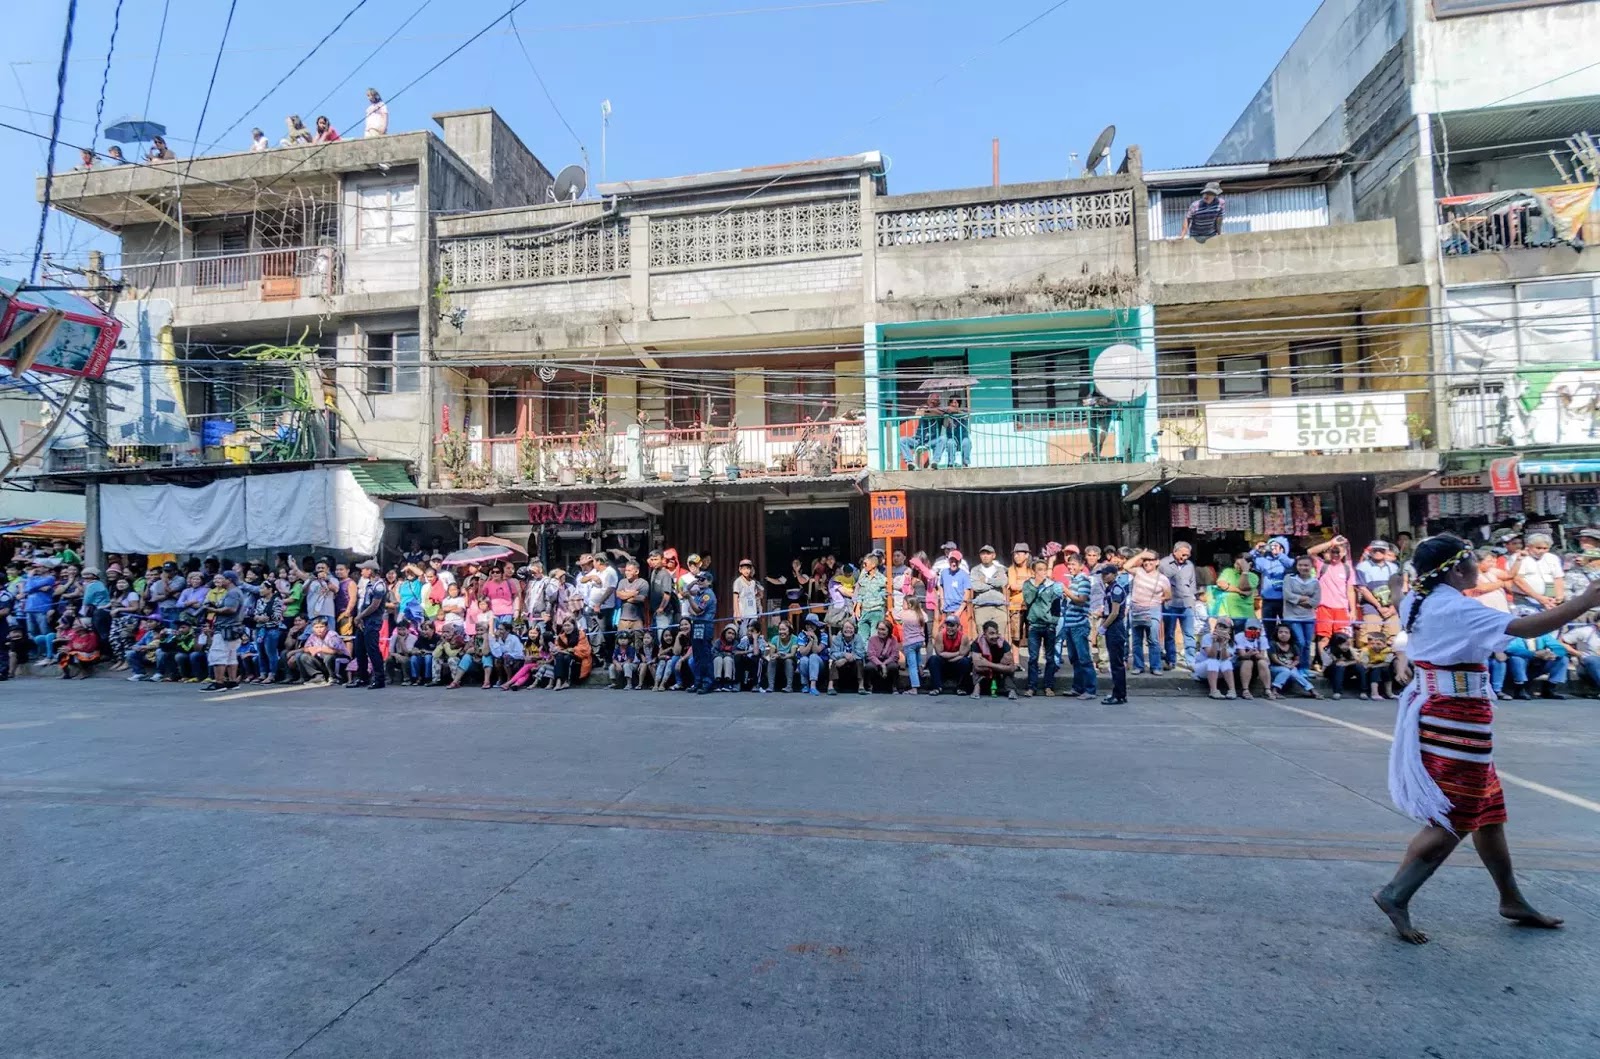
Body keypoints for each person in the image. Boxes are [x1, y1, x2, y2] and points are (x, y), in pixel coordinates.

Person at [1374, 533, 1600, 944]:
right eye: (1474, 561)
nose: (1479, 567)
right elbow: (1528, 625)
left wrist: (1393, 582)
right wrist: (1584, 601)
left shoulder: (1420, 601)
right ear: (1458, 569)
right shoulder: (1457, 607)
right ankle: (1396, 892)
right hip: (1455, 716)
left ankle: (1511, 898)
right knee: (1457, 815)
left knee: (1488, 811)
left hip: (1443, 709)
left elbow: (1396, 596)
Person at [1021, 558, 1061, 696]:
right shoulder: (1028, 584)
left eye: (1044, 570)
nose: (1042, 573)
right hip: (1034, 625)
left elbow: (1056, 606)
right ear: (1033, 571)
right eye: (1039, 570)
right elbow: (1028, 599)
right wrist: (1037, 585)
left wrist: (1053, 622)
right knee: (1033, 657)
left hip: (1048, 625)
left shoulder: (1052, 585)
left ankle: (1048, 686)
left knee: (1049, 657)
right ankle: (1032, 686)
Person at [1125, 550, 1170, 675]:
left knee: (1153, 640)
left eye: (1151, 560)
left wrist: (1156, 600)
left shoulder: (1163, 579)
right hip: (1136, 609)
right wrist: (1141, 555)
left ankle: (1155, 666)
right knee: (1136, 640)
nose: (1148, 563)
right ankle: (1138, 666)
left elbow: (1168, 595)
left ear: (1157, 562)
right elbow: (1126, 566)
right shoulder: (1138, 572)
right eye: (1145, 560)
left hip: (1153, 610)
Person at [1158, 541, 1199, 670]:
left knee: (1189, 633)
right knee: (1169, 633)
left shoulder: (1190, 565)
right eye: (1183, 555)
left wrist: (1192, 600)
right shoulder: (1163, 564)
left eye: (1187, 555)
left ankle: (1190, 661)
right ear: (1175, 552)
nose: (1184, 558)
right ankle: (1171, 660)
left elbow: (1192, 584)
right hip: (1170, 603)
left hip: (1186, 604)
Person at [347, 560, 388, 689]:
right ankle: (362, 677)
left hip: (373, 621)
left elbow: (374, 605)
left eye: (364, 569)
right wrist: (360, 618)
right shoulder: (370, 584)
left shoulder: (379, 585)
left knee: (372, 650)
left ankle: (379, 678)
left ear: (370, 570)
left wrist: (360, 616)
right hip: (364, 620)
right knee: (359, 649)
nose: (361, 571)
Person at [1281, 555, 1321, 671]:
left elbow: (1316, 601)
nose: (1303, 567)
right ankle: (1295, 666)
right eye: (1301, 565)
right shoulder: (1289, 578)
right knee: (1300, 642)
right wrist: (1305, 598)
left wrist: (1297, 601)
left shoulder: (1315, 582)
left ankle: (1304, 668)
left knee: (1308, 644)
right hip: (1292, 617)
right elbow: (1287, 596)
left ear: (1311, 566)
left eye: (1306, 565)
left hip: (1309, 617)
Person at [1356, 540, 1402, 641]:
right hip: (1371, 606)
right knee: (1370, 636)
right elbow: (1363, 589)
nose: (1378, 552)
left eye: (1381, 550)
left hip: (1391, 607)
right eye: (1375, 550)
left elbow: (1397, 588)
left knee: (1394, 636)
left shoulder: (1394, 567)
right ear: (1370, 551)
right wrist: (1378, 606)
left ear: (1386, 551)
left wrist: (1393, 607)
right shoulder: (1362, 567)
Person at [1509, 532, 1565, 614]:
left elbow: (1558, 578)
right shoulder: (1518, 558)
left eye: (1545, 548)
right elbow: (1518, 580)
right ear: (1529, 546)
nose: (1542, 551)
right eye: (1538, 548)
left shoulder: (1552, 558)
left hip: (1550, 600)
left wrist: (1559, 596)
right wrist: (1539, 597)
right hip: (1526, 600)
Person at [1505, 630, 1570, 699]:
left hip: (1539, 663)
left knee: (1563, 659)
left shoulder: (1542, 634)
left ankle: (1550, 689)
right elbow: (1511, 649)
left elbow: (1559, 648)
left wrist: (1553, 655)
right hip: (1518, 665)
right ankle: (1520, 688)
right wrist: (1534, 654)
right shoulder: (1514, 635)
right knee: (1516, 658)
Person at [969, 620, 1019, 700]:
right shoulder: (977, 643)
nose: (995, 636)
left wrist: (987, 663)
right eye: (991, 634)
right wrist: (999, 666)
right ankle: (976, 690)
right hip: (985, 671)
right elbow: (977, 666)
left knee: (1008, 670)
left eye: (996, 633)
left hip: (996, 671)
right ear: (985, 634)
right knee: (975, 667)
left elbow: (1011, 668)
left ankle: (1011, 690)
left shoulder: (1003, 643)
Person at [1267, 623, 1319, 699]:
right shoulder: (1273, 644)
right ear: (1277, 633)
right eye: (1280, 632)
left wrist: (1292, 665)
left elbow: (1297, 660)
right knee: (1286, 671)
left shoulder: (1293, 645)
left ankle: (1311, 690)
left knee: (1294, 672)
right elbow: (1274, 659)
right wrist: (1286, 666)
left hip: (1290, 667)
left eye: (1286, 632)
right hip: (1275, 668)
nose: (1283, 634)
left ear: (1290, 634)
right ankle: (1275, 690)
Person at [1195, 618, 1237, 699]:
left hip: (1220, 670)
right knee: (1213, 661)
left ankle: (1232, 690)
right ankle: (1213, 690)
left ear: (1230, 630)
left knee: (1227, 662)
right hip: (1203, 668)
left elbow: (1224, 658)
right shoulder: (1207, 637)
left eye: (1224, 627)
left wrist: (1223, 644)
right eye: (1219, 625)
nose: (1221, 628)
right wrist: (1215, 641)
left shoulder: (1231, 642)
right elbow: (1211, 656)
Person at [896, 590, 928, 696]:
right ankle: (921, 670)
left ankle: (914, 687)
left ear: (909, 604)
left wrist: (891, 611)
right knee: (918, 657)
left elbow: (896, 616)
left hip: (909, 643)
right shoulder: (921, 613)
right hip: (920, 641)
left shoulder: (904, 613)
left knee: (911, 665)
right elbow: (926, 619)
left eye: (904, 603)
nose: (902, 605)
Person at [1214, 555, 1259, 629]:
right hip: (1225, 613)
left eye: (1240, 564)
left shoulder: (1253, 576)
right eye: (1236, 563)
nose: (1237, 566)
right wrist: (1240, 591)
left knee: (1239, 636)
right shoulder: (1228, 571)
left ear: (1249, 564)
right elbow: (1220, 584)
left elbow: (1243, 587)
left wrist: (1245, 572)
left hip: (1243, 614)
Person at [1232, 617, 1269, 700]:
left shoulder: (1262, 638)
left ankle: (1267, 690)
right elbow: (1242, 655)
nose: (1253, 630)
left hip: (1256, 662)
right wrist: (1249, 653)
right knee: (1248, 661)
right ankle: (1245, 690)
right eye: (1250, 628)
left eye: (1255, 628)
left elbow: (1262, 656)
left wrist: (1256, 654)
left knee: (1262, 662)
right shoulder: (1240, 636)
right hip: (1240, 662)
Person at [827, 617, 865, 695]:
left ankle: (861, 686)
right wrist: (844, 654)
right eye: (846, 628)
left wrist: (845, 659)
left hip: (853, 663)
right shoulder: (838, 638)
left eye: (850, 628)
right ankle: (830, 686)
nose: (848, 630)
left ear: (854, 629)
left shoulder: (858, 638)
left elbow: (860, 654)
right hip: (840, 665)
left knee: (859, 661)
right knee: (834, 661)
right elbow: (833, 654)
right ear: (842, 629)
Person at [865, 620, 901, 694]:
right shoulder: (872, 639)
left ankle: (894, 687)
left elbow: (894, 656)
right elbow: (871, 655)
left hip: (888, 661)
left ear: (889, 630)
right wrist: (881, 664)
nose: (880, 631)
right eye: (879, 629)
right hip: (876, 660)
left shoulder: (893, 640)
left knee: (893, 666)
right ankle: (869, 686)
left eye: (883, 629)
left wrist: (884, 663)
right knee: (869, 666)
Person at [764, 620, 799, 693]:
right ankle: (770, 686)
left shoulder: (794, 638)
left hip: (790, 660)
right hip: (778, 660)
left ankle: (789, 686)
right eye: (780, 630)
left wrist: (783, 655)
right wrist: (776, 655)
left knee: (788, 661)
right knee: (772, 660)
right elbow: (772, 654)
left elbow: (792, 654)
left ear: (789, 630)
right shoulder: (775, 639)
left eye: (784, 629)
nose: (781, 632)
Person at [729, 559, 761, 635]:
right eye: (744, 569)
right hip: (742, 614)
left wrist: (759, 608)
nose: (746, 571)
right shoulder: (738, 581)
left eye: (748, 568)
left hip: (753, 613)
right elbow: (735, 598)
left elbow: (755, 597)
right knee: (743, 634)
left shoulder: (753, 582)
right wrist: (737, 614)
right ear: (740, 570)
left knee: (753, 634)